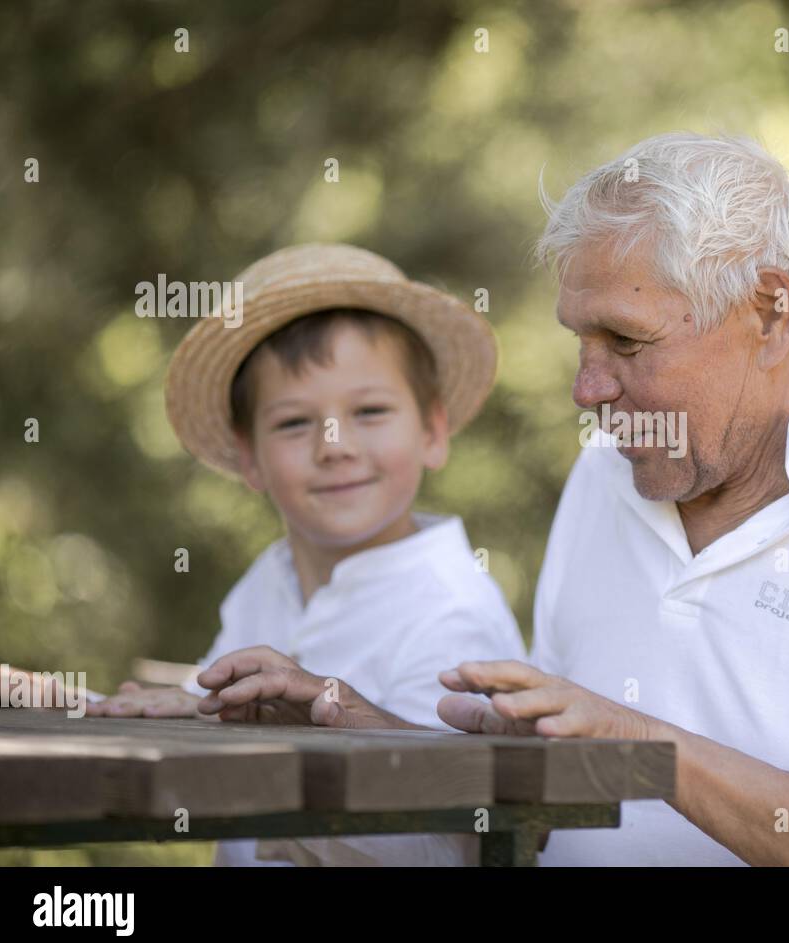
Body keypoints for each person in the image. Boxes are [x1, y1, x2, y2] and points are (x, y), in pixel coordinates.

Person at [197, 134, 789, 866]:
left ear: (769, 313)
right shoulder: (603, 482)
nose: (587, 388)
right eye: (580, 340)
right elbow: (541, 809)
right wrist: (350, 720)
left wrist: (645, 750)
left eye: (627, 341)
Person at [93, 243, 523, 865]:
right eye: (295, 424)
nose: (335, 446)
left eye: (370, 411)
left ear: (432, 430)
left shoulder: (452, 613)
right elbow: (213, 717)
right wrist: (117, 708)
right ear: (248, 457)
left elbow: (447, 842)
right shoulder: (265, 582)